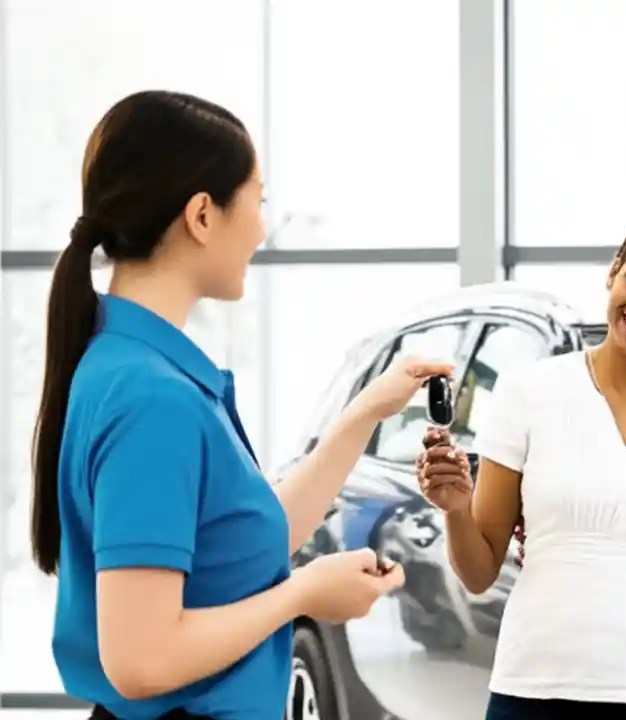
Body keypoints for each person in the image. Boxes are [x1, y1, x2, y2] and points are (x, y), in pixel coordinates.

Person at [28, 90, 451, 719]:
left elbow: (243, 545)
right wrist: (303, 593)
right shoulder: (153, 400)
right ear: (202, 215)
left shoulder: (134, 367)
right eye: (258, 199)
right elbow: (141, 660)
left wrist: (365, 411)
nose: (261, 226)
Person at [417, 211, 626, 720]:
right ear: (613, 273)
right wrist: (456, 509)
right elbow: (479, 574)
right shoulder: (529, 391)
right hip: (542, 683)